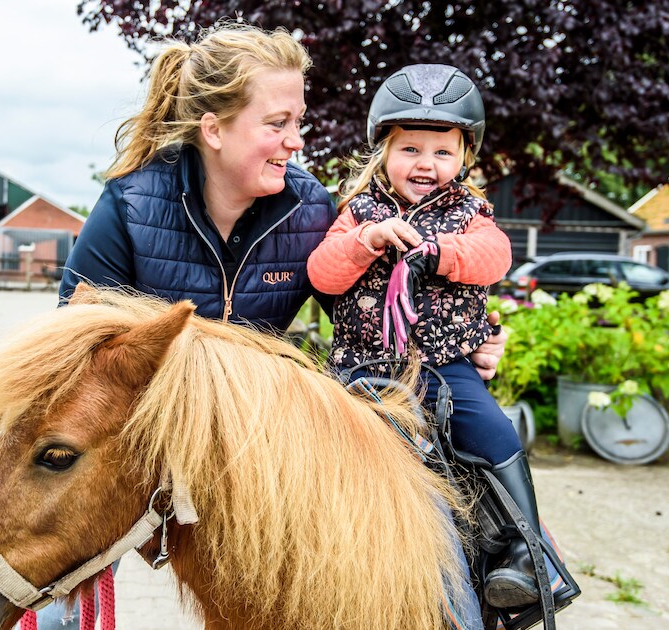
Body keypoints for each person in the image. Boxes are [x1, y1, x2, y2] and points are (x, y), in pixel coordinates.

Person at [56, 25, 507, 627]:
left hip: (243, 439)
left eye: (298, 122)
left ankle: (508, 573)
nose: (296, 141)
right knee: (58, 590)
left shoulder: (308, 208)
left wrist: (466, 340)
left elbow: (359, 307)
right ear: (213, 129)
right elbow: (75, 348)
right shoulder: (131, 206)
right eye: (277, 123)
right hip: (135, 434)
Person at [306, 63, 545, 609]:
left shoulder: (470, 214)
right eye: (410, 149)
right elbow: (322, 274)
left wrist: (442, 254)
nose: (426, 164)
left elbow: (496, 258)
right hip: (363, 367)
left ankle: (526, 556)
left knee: (496, 433)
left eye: (442, 152)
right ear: (383, 154)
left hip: (444, 366)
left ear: (464, 158)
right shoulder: (357, 214)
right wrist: (367, 240)